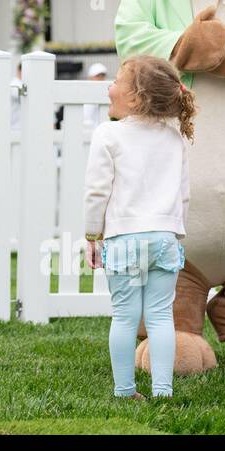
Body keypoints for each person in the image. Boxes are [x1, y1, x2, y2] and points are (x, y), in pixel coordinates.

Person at [84, 55, 195, 400]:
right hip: (164, 239)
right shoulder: (174, 139)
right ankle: (163, 391)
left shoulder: (108, 134)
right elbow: (184, 195)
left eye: (116, 81)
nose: (109, 87)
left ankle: (125, 391)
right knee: (162, 316)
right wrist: (175, 233)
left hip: (124, 241)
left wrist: (92, 235)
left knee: (125, 317)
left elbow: (96, 191)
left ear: (135, 98)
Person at [82, 62, 110, 131]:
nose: (101, 78)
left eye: (102, 76)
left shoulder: (108, 93)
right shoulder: (84, 94)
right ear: (90, 77)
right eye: (98, 76)